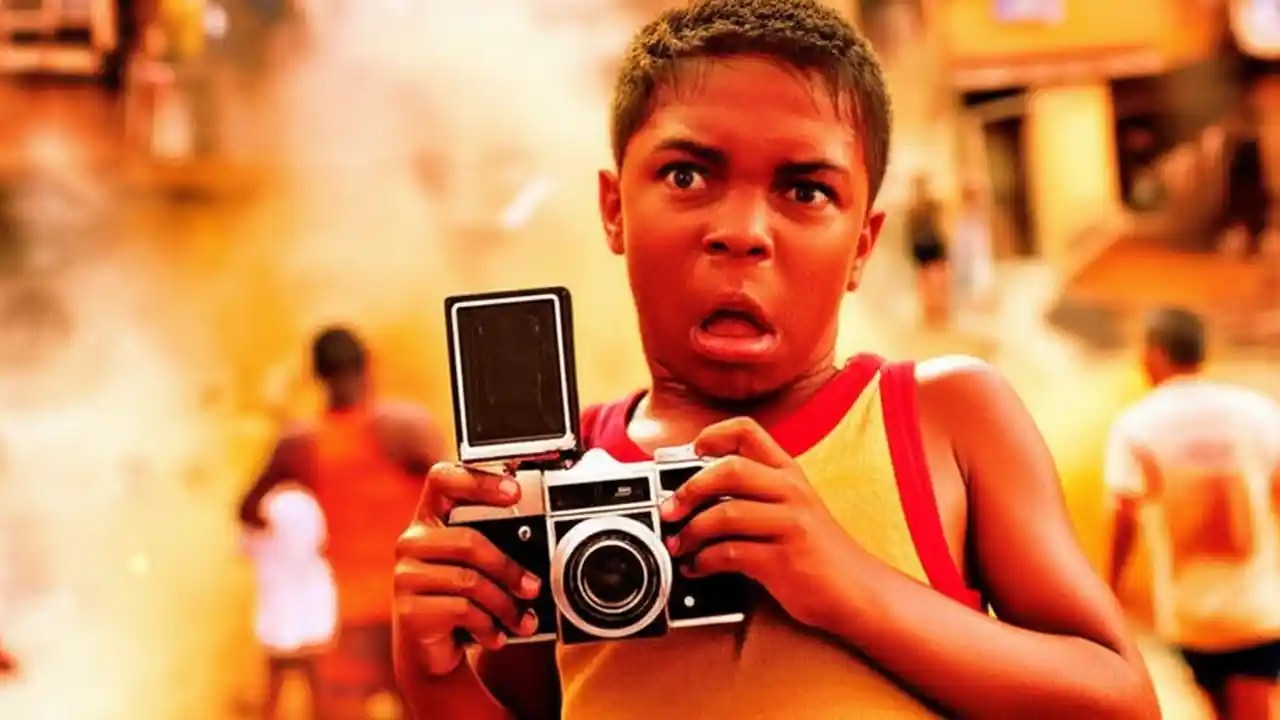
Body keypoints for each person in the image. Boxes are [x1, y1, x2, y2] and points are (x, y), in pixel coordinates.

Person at [393, 1, 1159, 718]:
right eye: (687, 175)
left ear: (863, 242)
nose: (743, 231)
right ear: (614, 208)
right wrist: (431, 671)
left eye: (805, 189)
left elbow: (1121, 699)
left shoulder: (943, 420)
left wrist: (844, 581)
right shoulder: (558, 478)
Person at [239, 326, 449, 717]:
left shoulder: (301, 443)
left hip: (347, 617)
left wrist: (289, 554)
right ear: (368, 365)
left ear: (317, 376)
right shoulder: (408, 427)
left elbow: (249, 509)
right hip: (413, 603)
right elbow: (456, 492)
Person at [1107, 307, 1280, 720]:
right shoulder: (1257, 410)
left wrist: (1109, 591)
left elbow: (1123, 517)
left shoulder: (1136, 425)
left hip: (1189, 615)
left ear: (1155, 354)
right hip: (1255, 607)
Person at [240, 484, 337, 719]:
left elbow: (245, 547)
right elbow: (320, 540)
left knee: (275, 689)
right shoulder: (303, 500)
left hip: (279, 614)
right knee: (317, 691)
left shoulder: (266, 502)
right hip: (310, 610)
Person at [906, 174, 951, 327]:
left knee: (932, 281)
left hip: (929, 244)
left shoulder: (922, 207)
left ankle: (936, 313)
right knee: (932, 281)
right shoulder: (925, 207)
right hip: (928, 245)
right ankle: (934, 314)